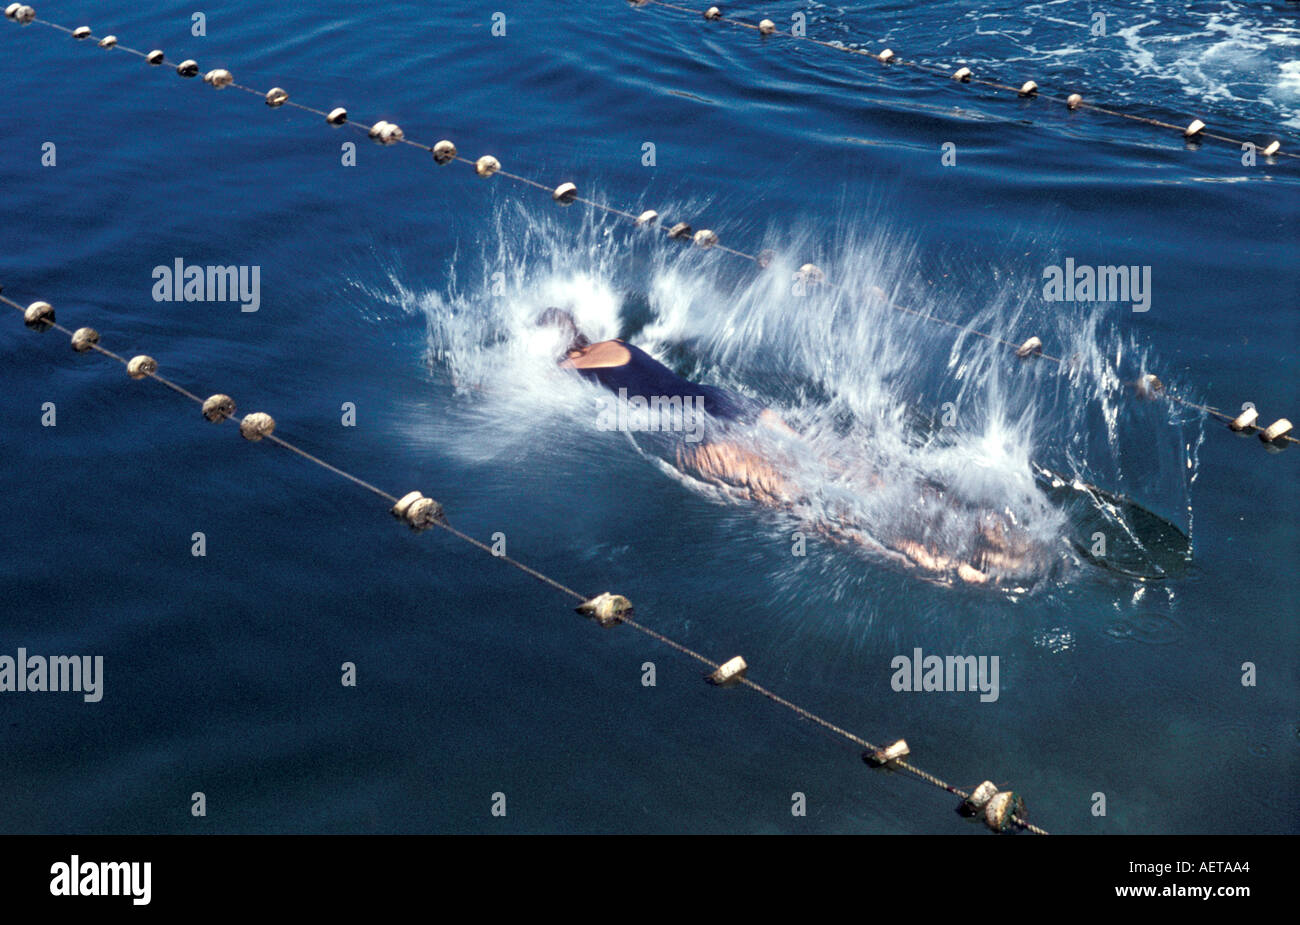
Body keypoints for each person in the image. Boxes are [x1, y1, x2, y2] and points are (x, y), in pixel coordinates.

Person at [537, 307, 1028, 585]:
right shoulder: (620, 344)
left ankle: (940, 562)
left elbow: (540, 392)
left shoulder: (564, 369)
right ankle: (980, 525)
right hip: (726, 401)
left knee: (805, 503)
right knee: (846, 468)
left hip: (692, 435)